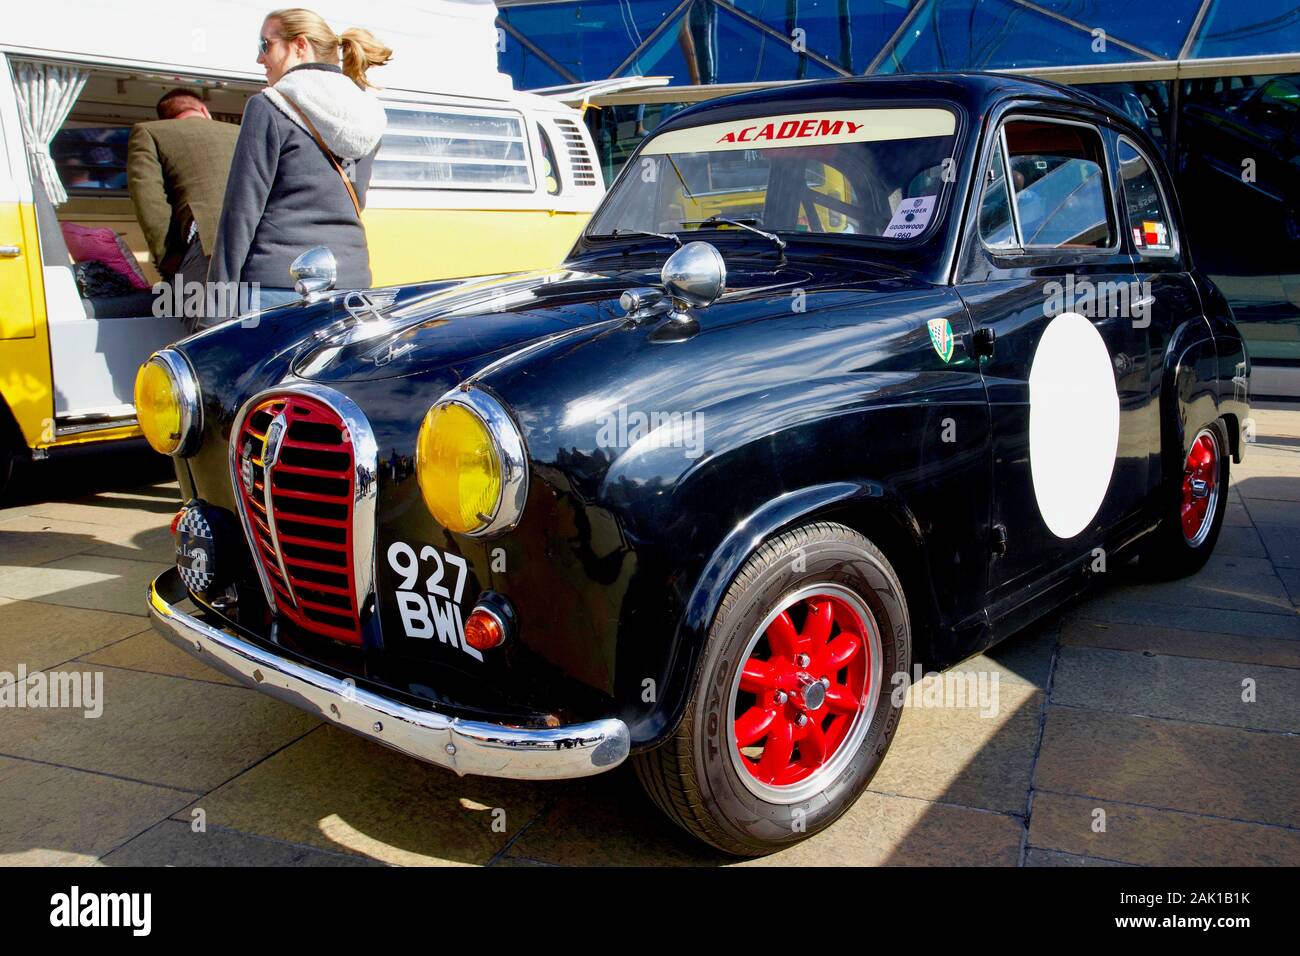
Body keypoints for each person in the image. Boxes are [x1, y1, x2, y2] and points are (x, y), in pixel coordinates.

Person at [205, 7, 391, 323]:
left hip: (277, 283)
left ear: (299, 46)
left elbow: (241, 210)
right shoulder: (368, 112)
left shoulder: (269, 105)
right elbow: (355, 197)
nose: (259, 59)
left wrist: (214, 308)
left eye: (265, 45)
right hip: (352, 282)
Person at [126, 88, 239, 290]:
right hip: (265, 242)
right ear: (204, 111)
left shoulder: (150, 132)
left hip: (208, 245)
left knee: (214, 317)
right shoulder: (241, 132)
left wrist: (169, 260)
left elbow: (149, 202)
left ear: (165, 119)